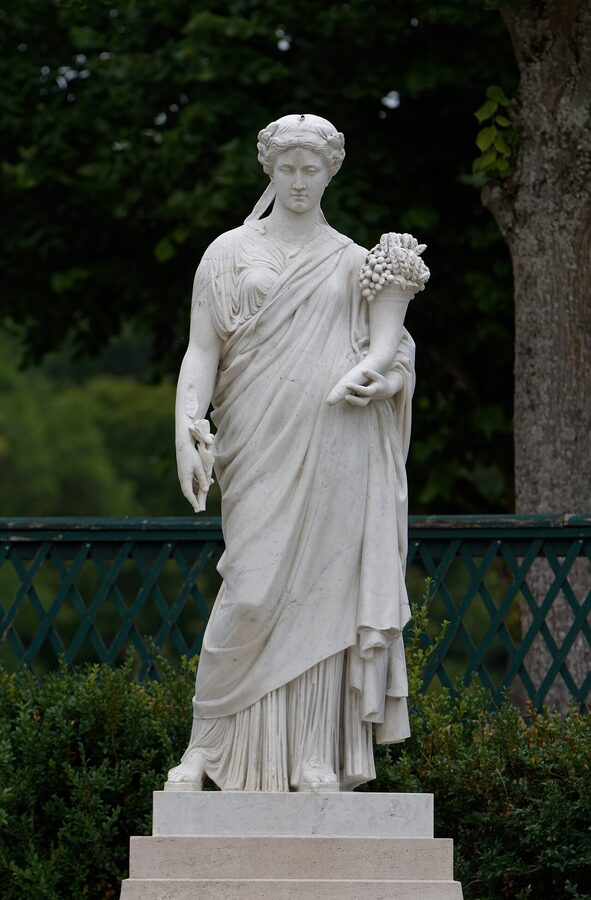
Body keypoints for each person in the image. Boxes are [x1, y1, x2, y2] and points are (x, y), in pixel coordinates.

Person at [167, 114, 419, 792]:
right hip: (256, 436)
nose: (300, 181)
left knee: (319, 591)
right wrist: (187, 424)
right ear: (269, 170)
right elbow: (202, 349)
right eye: (288, 168)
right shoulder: (227, 252)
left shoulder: (352, 260)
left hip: (337, 440)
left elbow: (391, 349)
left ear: (330, 171)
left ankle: (312, 754)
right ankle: (206, 746)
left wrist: (385, 377)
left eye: (312, 169)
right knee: (249, 589)